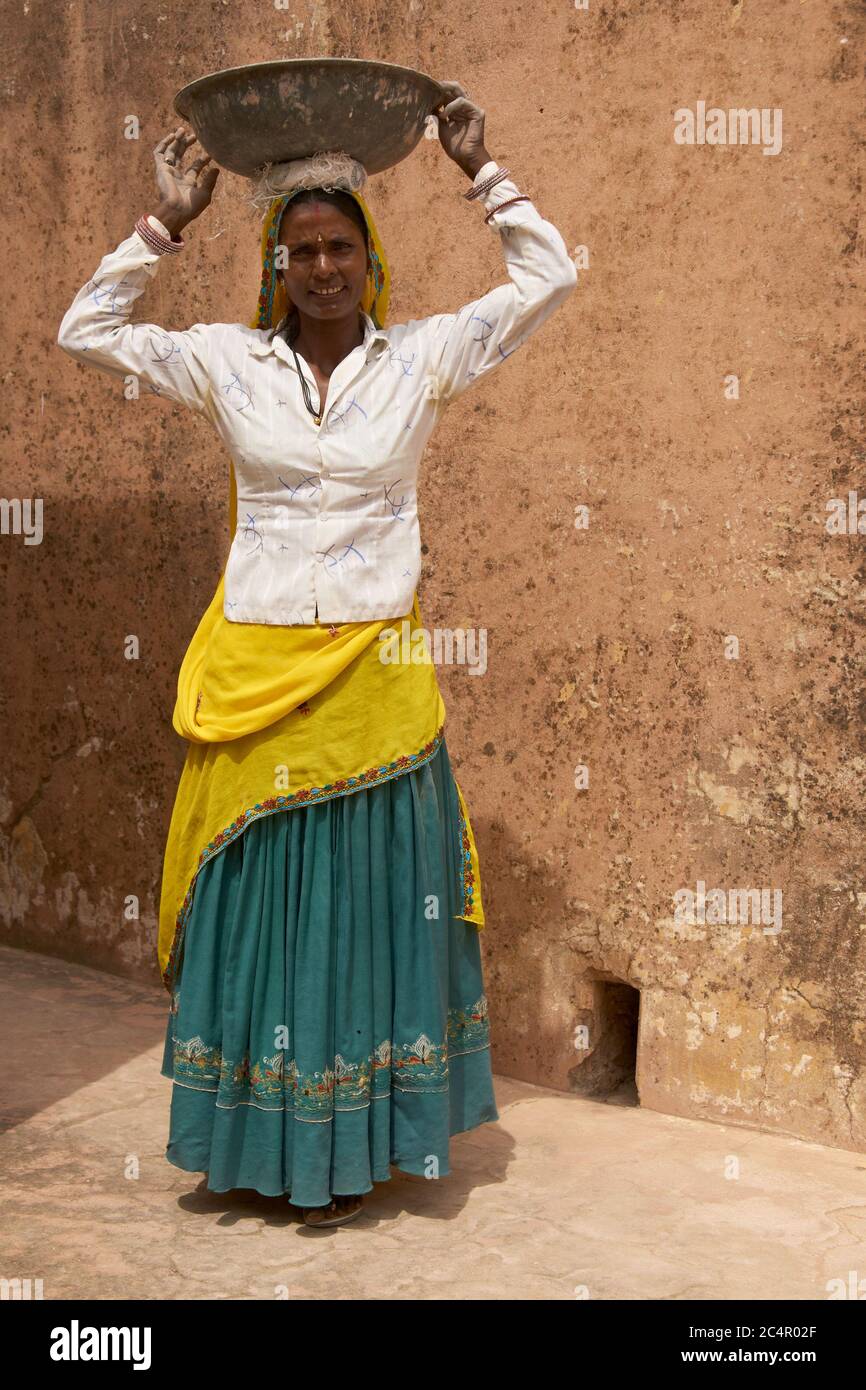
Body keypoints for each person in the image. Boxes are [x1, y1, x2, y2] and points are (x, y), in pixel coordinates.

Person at [57, 80, 578, 1226]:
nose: (324, 267)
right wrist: (165, 222)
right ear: (275, 266)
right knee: (250, 906)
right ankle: (244, 1144)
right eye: (302, 250)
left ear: (368, 256)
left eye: (340, 246)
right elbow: (84, 332)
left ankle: (347, 1146)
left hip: (375, 680)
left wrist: (479, 170)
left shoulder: (423, 360)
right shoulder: (225, 364)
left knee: (358, 907)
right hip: (253, 670)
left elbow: (549, 279)